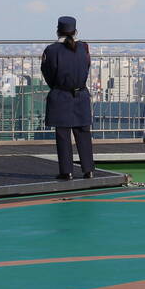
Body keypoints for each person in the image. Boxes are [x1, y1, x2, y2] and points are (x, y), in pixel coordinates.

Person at [41, 16, 95, 179]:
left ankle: (67, 171)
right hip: (81, 94)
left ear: (58, 31)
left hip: (61, 94)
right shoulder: (83, 48)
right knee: (83, 132)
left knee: (63, 134)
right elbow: (86, 67)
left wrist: (57, 88)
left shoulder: (51, 50)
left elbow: (47, 73)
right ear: (75, 30)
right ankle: (88, 169)